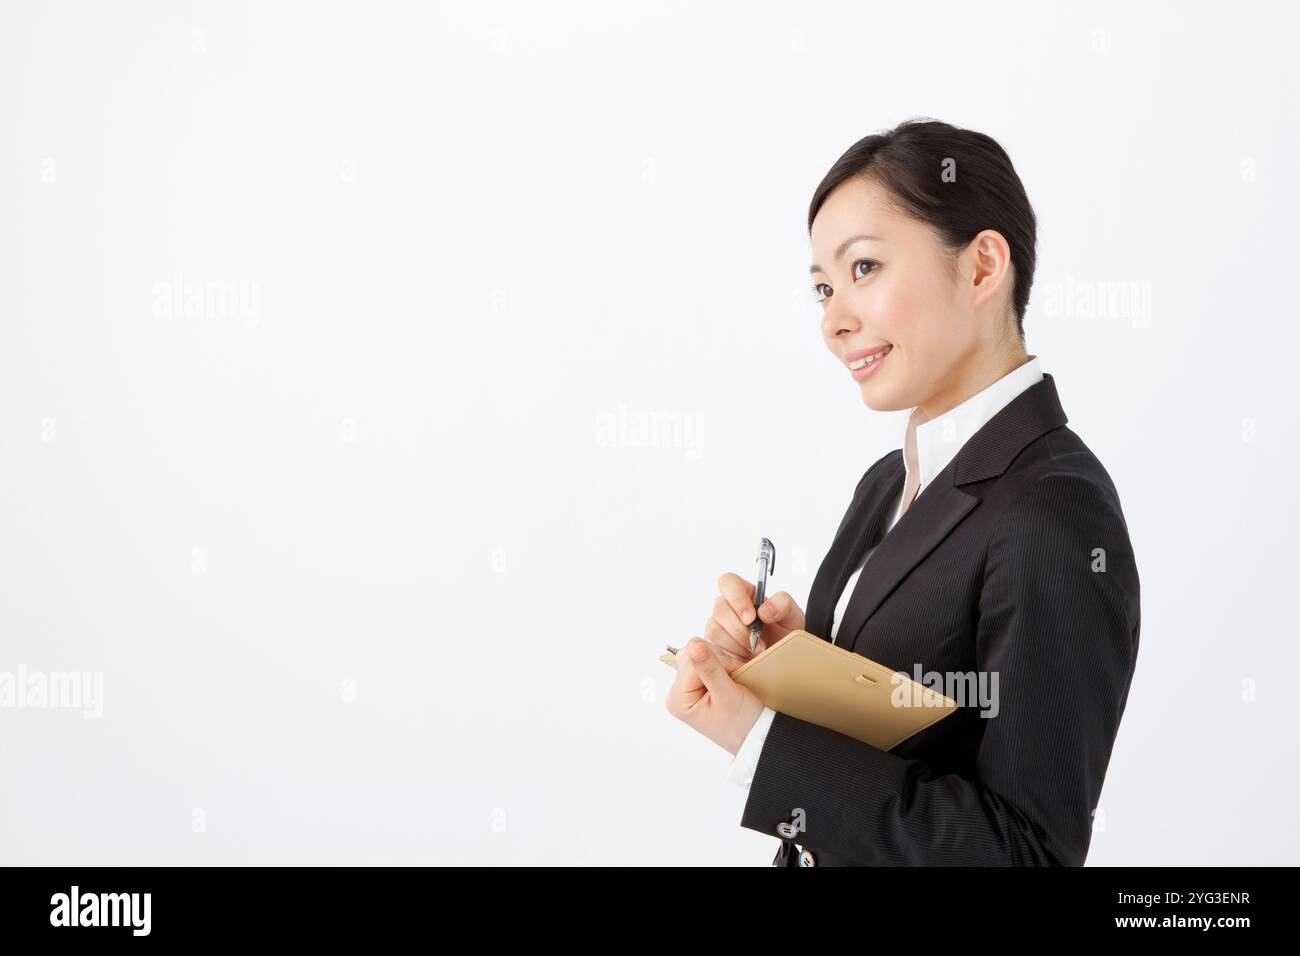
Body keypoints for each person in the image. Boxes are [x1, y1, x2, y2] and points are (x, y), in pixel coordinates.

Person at [666, 118, 1141, 867]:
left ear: (984, 266)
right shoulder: (889, 482)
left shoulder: (1053, 509)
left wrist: (762, 741)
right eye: (823, 287)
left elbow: (1027, 854)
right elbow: (913, 740)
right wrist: (796, 672)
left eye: (863, 270)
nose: (833, 320)